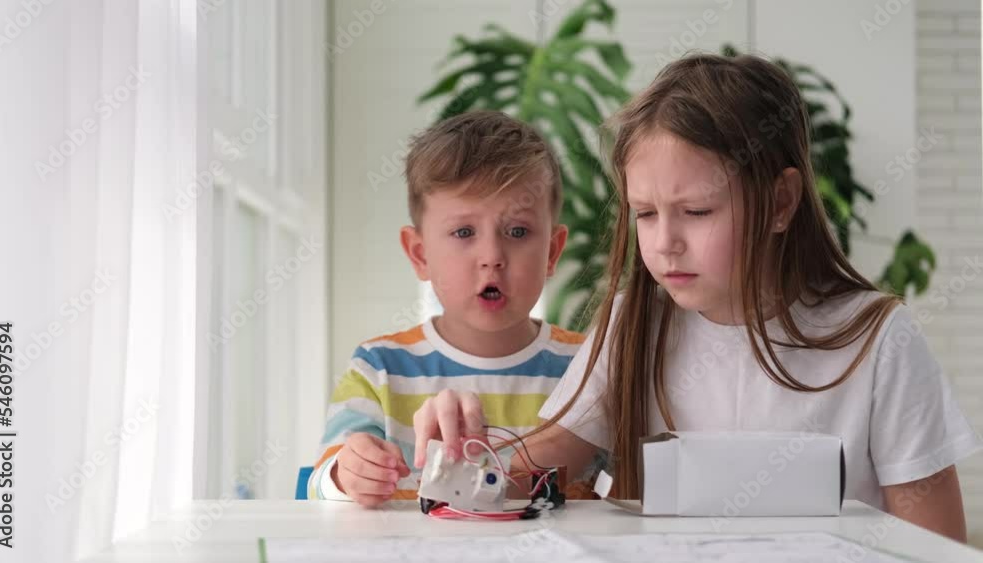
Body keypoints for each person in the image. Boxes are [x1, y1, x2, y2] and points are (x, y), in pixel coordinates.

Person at [412, 54, 982, 541]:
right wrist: (463, 456)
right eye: (646, 214)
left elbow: (934, 544)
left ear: (781, 202)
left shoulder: (879, 340)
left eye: (698, 212)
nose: (665, 244)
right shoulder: (633, 321)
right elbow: (542, 459)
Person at [309, 110, 589, 507]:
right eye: (463, 232)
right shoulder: (379, 368)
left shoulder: (588, 369)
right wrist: (345, 474)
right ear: (420, 255)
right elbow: (318, 486)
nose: (492, 257)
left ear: (552, 251)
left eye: (518, 232)